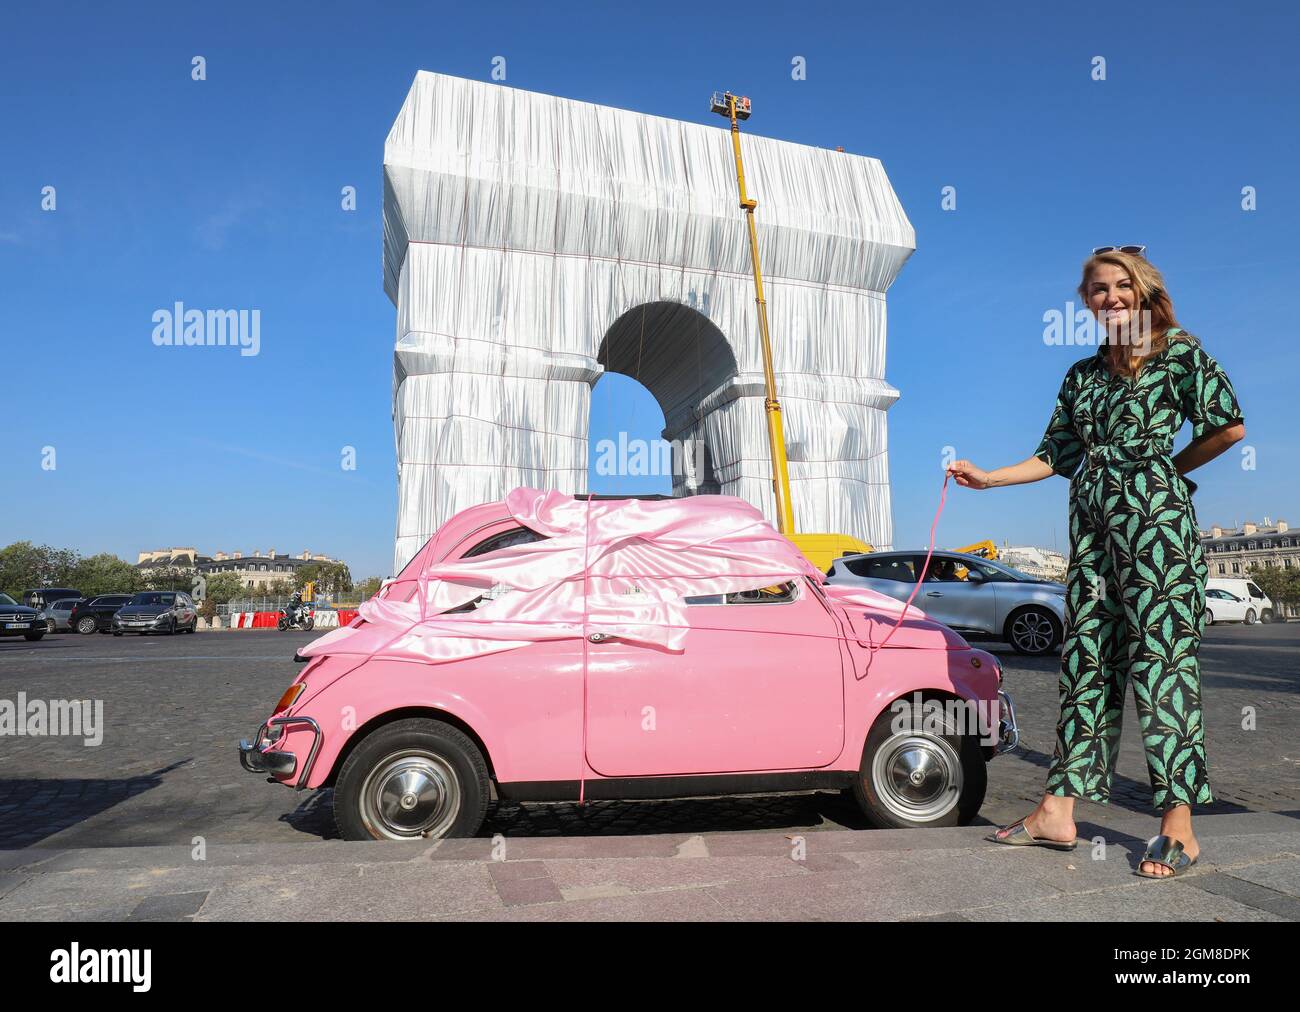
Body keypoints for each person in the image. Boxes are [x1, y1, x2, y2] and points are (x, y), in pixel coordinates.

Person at [946, 247, 1245, 879]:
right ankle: (1058, 810)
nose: (1109, 297)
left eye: (1119, 286)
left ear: (1142, 292)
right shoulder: (1081, 375)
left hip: (1157, 531)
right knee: (1086, 661)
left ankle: (1178, 827)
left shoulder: (1180, 354)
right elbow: (1055, 454)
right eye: (1097, 289)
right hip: (1093, 534)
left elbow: (1228, 426)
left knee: (1162, 665)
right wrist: (990, 480)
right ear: (1087, 301)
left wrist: (1164, 471)